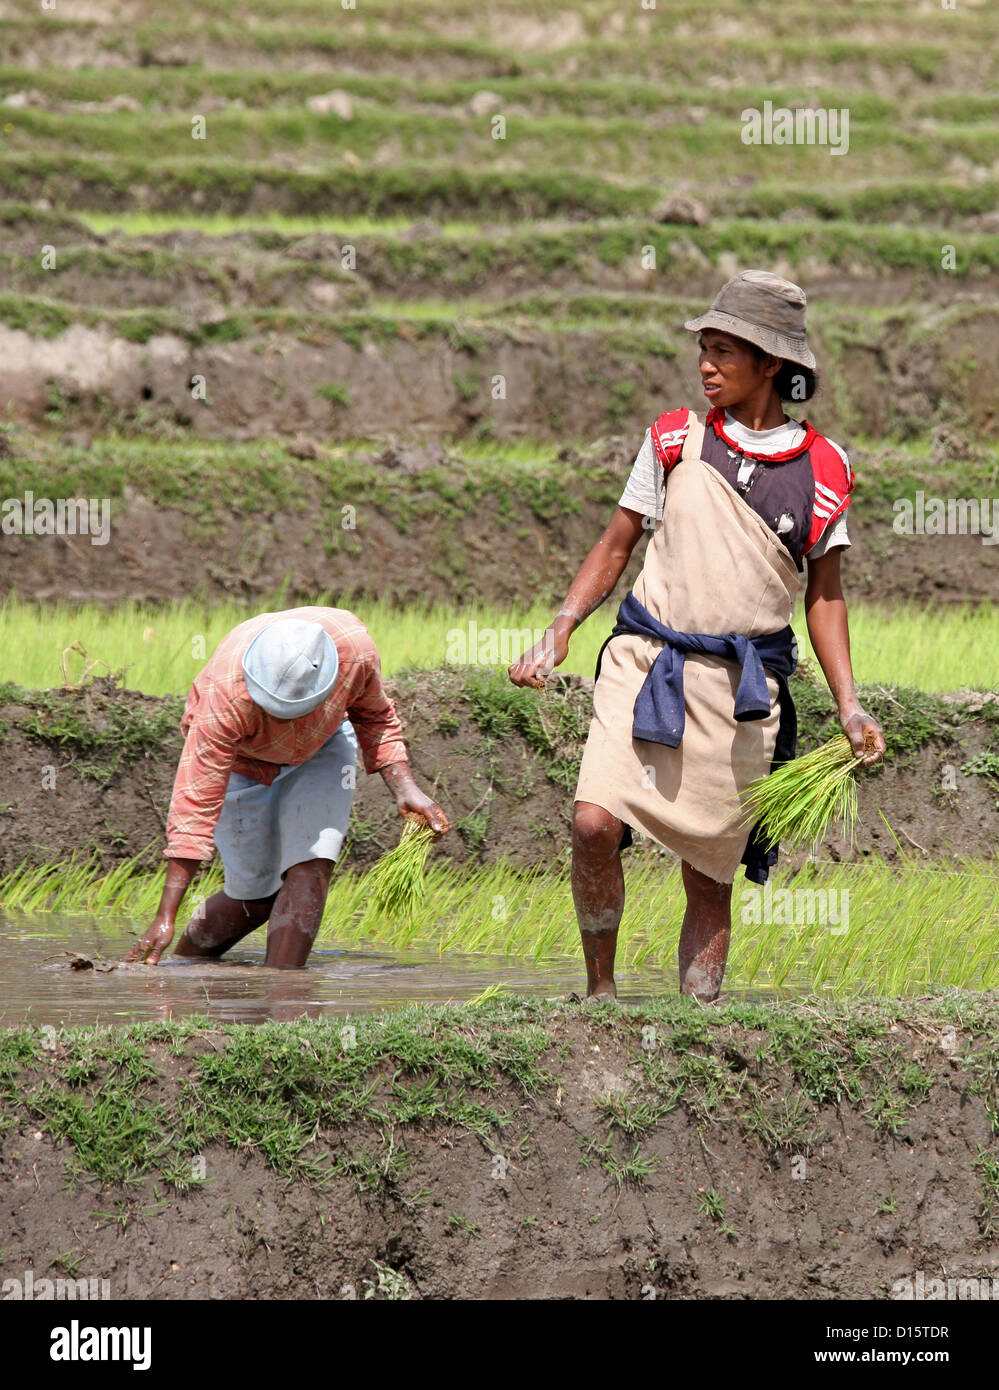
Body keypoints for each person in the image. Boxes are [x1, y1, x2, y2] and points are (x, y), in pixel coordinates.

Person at [509, 269, 886, 1002]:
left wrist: (848, 704)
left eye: (724, 351)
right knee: (591, 823)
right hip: (644, 659)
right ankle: (600, 997)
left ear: (772, 364)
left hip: (741, 689)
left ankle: (696, 1023)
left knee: (708, 873)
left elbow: (825, 598)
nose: (706, 365)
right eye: (703, 348)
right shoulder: (675, 438)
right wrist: (560, 627)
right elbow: (615, 545)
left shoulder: (824, 468)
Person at [126, 606, 448, 968]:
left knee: (312, 864)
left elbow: (374, 715)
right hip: (242, 760)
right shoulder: (223, 696)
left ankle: (285, 993)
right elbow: (195, 803)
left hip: (322, 744)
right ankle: (180, 966)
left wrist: (405, 787)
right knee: (254, 896)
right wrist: (165, 916)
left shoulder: (354, 653)